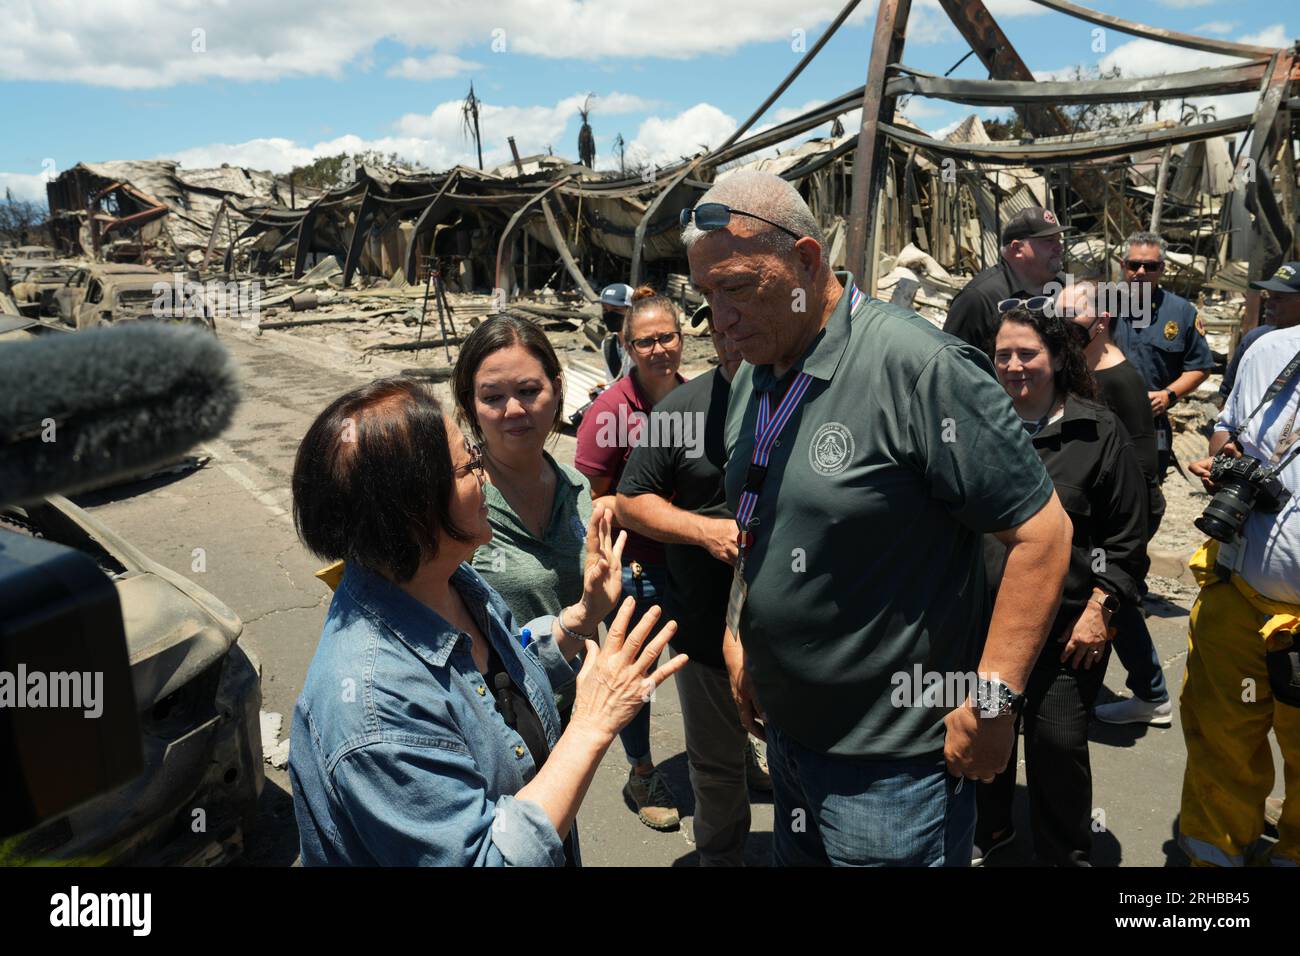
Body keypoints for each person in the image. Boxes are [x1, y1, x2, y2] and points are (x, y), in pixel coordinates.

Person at [683, 170, 1073, 867]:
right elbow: (759, 516)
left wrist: (991, 702)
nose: (720, 319)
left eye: (737, 287)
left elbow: (1042, 533)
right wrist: (742, 633)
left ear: (806, 261)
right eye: (706, 295)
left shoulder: (920, 368)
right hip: (788, 745)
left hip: (893, 772)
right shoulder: (757, 369)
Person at [287, 378, 686, 866]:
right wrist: (592, 720)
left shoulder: (450, 581)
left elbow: (499, 668)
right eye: (468, 466)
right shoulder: (373, 703)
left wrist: (578, 621)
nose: (484, 477)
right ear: (412, 511)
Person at [977, 305, 1148, 866]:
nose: (1014, 365)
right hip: (983, 629)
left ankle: (1063, 855)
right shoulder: (975, 424)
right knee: (982, 736)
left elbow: (1127, 537)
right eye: (1003, 355)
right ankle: (990, 837)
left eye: (1027, 353)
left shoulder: (1097, 433)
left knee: (1057, 750)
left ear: (1055, 358)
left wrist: (1104, 606)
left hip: (1065, 633)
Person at [615, 302, 766, 866]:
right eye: (721, 328)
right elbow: (630, 501)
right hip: (704, 627)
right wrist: (703, 531)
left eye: (743, 322)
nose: (733, 337)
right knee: (717, 766)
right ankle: (721, 858)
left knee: (807, 757)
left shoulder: (805, 398)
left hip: (793, 632)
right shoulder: (681, 410)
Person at [1182, 319, 1300, 867]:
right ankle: (1215, 869)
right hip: (1238, 595)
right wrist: (1225, 460)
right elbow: (1227, 426)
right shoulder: (1269, 351)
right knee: (1221, 741)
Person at [575, 286, 686, 830]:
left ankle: (736, 749)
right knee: (638, 675)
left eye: (668, 336)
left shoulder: (698, 397)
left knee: (707, 661)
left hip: (693, 563)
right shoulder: (612, 410)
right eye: (647, 341)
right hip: (639, 568)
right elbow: (600, 498)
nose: (660, 348)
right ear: (627, 346)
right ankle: (641, 771)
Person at [1057, 280, 1172, 728]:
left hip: (1123, 512)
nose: (1062, 328)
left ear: (1100, 322)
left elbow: (1141, 465)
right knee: (1113, 597)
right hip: (1097, 510)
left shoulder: (1119, 379)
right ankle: (1150, 690)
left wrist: (1125, 528)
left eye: (1071, 319)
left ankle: (1150, 692)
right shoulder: (1079, 367)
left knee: (1110, 596)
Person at [1109, 231, 1215, 480]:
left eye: (1151, 266)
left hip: (1152, 423)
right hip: (1106, 418)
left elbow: (1200, 367)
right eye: (1134, 264)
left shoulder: (1181, 312)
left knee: (1148, 492)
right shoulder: (1101, 306)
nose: (1141, 272)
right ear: (1124, 266)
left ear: (1162, 269)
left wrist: (1168, 395)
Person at [944, 206, 1068, 358]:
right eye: (1049, 241)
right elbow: (952, 362)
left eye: (1058, 240)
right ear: (1017, 248)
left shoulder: (1065, 286)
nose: (1059, 247)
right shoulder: (979, 298)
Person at [1218, 262, 1300, 402]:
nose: (1268, 304)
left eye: (1278, 298)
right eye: (1268, 296)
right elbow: (1228, 398)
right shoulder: (1255, 340)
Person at [598, 282, 634, 381]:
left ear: (631, 311)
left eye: (616, 309)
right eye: (605, 310)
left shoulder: (641, 346)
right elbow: (612, 383)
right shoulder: (608, 345)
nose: (610, 315)